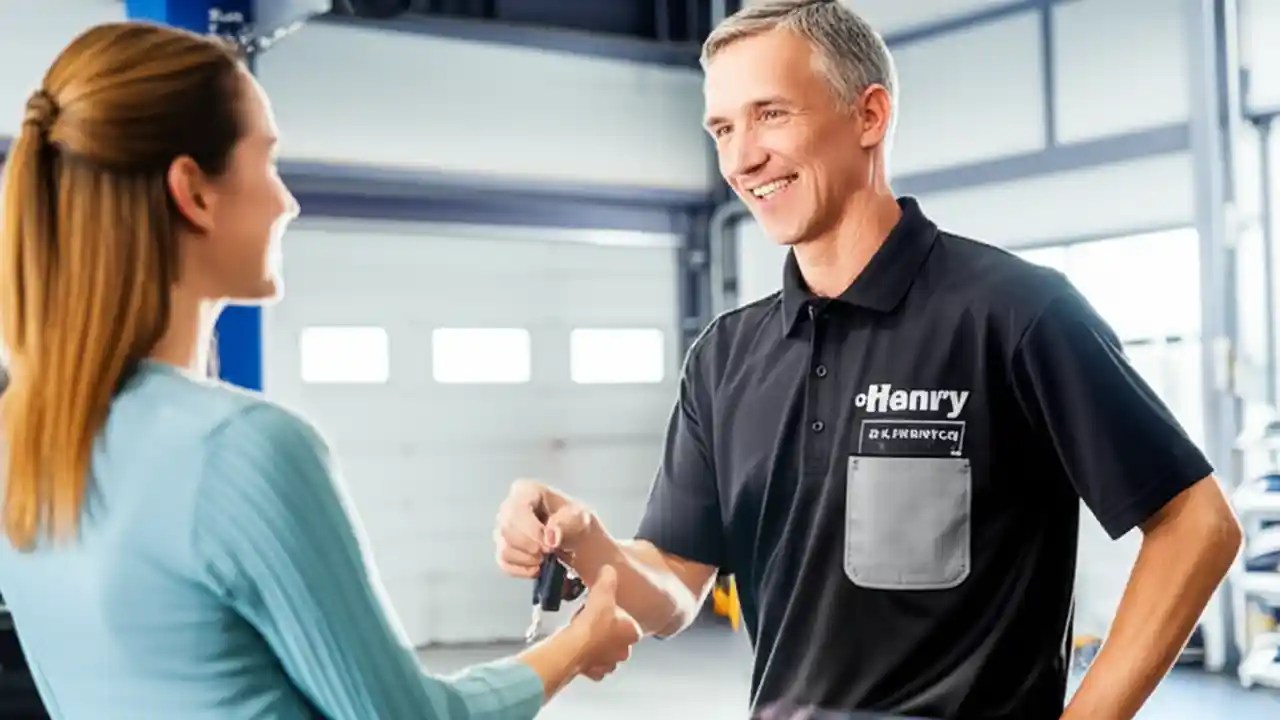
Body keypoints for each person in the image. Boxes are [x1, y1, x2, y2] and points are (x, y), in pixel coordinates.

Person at [494, 1, 1244, 718]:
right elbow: (676, 590)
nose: (742, 157)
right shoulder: (726, 357)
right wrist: (589, 540)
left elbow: (1195, 523)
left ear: (870, 115)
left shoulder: (1016, 314)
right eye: (721, 128)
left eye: (771, 114)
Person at [0, 21, 640, 720]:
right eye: (267, 161)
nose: (288, 201)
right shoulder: (236, 450)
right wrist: (577, 643)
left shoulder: (20, 439)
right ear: (195, 192)